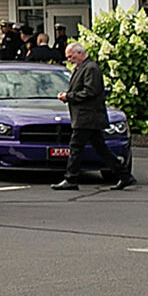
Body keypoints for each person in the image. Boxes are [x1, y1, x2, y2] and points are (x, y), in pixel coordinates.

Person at [54, 42, 130, 192]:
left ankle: (71, 178)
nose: (69, 59)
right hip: (86, 116)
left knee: (76, 147)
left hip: (87, 116)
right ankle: (124, 175)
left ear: (80, 53)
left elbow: (90, 91)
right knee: (100, 148)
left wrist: (69, 96)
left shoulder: (91, 69)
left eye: (71, 56)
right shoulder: (82, 68)